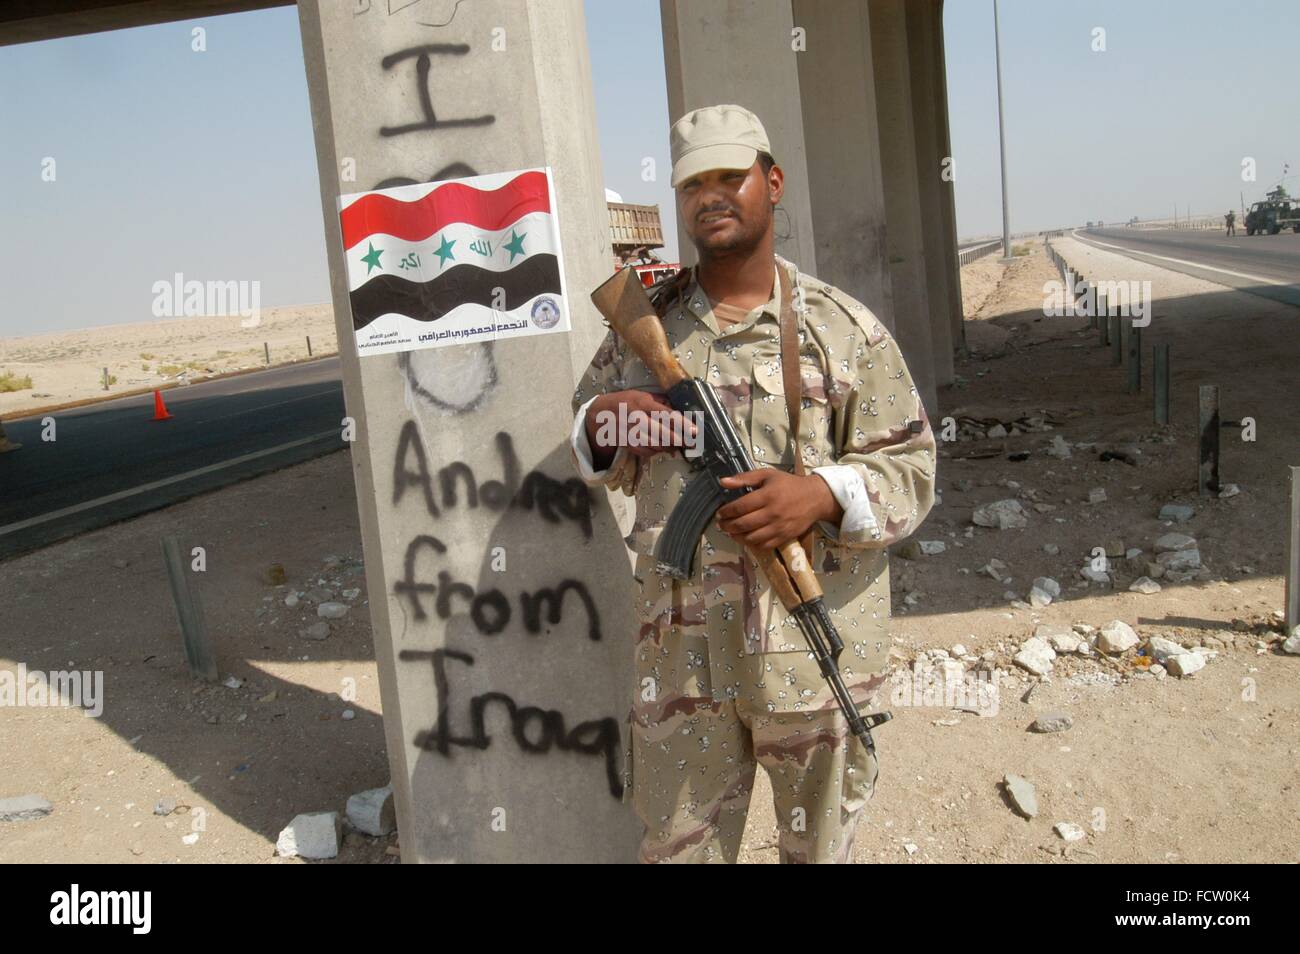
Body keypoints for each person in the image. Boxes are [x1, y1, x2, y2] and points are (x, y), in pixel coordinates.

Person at [570, 104, 935, 863]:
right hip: (682, 664)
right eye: (694, 183)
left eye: (730, 176)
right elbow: (588, 434)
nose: (712, 194)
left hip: (810, 653)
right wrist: (608, 421)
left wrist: (822, 495)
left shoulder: (844, 330)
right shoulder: (644, 331)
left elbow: (912, 467)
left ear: (772, 183)